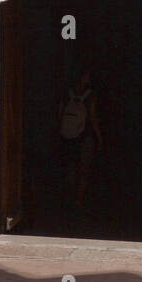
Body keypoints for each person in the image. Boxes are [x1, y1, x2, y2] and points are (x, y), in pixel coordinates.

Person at [58, 68, 102, 213]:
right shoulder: (90, 96)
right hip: (85, 135)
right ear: (83, 76)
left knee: (71, 166)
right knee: (84, 169)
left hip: (67, 135)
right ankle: (79, 199)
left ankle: (69, 197)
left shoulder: (66, 93)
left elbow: (59, 114)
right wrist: (100, 137)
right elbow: (93, 117)